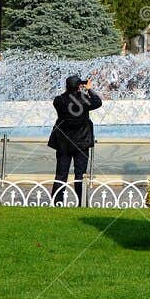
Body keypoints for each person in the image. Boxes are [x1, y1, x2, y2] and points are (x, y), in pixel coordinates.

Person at [49, 75, 102, 204]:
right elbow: (97, 102)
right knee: (80, 174)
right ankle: (81, 202)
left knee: (61, 174)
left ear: (66, 86)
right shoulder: (84, 99)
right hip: (81, 143)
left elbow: (64, 100)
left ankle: (57, 201)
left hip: (63, 143)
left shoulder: (58, 100)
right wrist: (88, 89)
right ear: (79, 86)